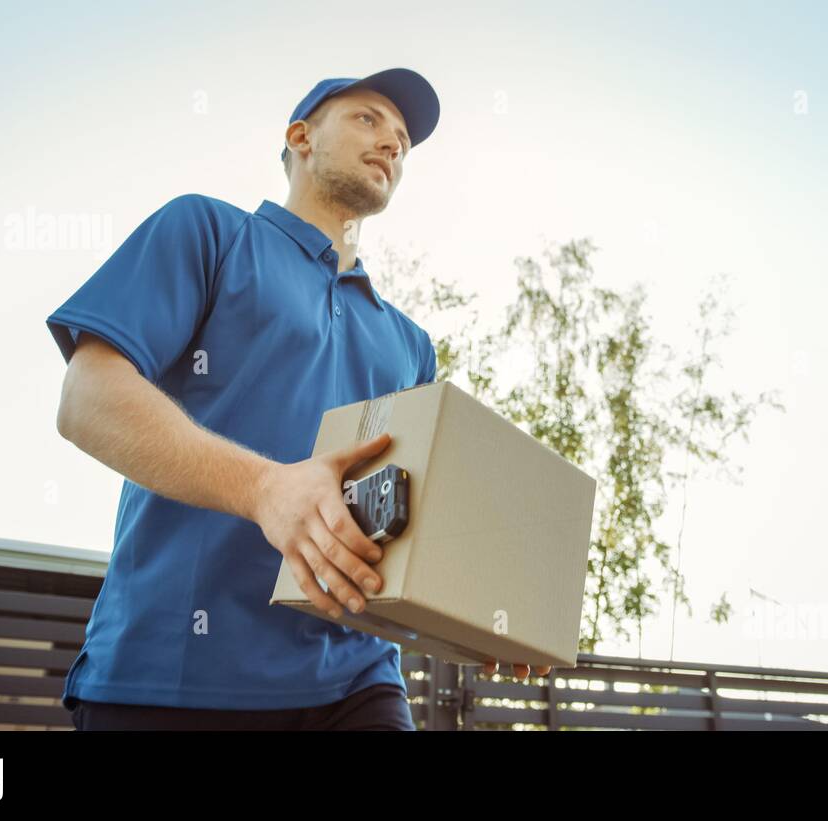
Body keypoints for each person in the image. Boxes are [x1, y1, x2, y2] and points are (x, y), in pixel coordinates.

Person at [47, 67, 547, 731]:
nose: (392, 143)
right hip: (171, 673)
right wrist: (264, 489)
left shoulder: (409, 342)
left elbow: (413, 515)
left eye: (402, 138)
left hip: (358, 677)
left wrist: (480, 611)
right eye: (369, 119)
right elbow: (86, 399)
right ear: (301, 136)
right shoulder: (208, 232)